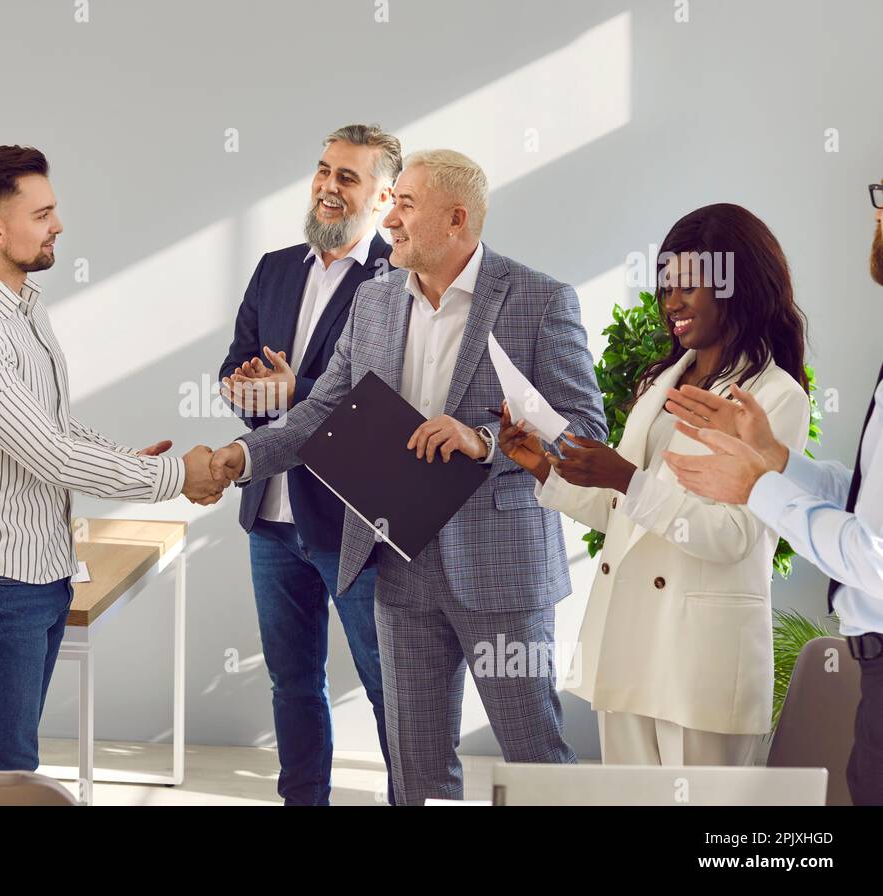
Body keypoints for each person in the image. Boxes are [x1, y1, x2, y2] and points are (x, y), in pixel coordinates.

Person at [211, 149, 607, 804]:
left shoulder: (538, 300)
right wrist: (240, 458)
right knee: (417, 769)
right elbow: (319, 415)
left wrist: (483, 443)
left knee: (534, 756)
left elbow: (583, 429)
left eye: (405, 205)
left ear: (457, 220)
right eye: (390, 201)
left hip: (502, 571)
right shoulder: (374, 301)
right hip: (399, 565)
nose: (387, 218)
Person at [0, 145, 228, 773]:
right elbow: (49, 455)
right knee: (2, 769)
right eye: (43, 214)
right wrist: (176, 476)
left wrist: (126, 459)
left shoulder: (24, 309)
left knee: (10, 763)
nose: (58, 225)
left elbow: (54, 429)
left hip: (40, 572)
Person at [500, 203, 811, 766]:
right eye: (665, 286)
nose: (672, 303)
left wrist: (627, 478)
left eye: (689, 287)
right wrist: (544, 467)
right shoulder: (660, 381)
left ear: (739, 287)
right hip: (628, 647)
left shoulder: (777, 397)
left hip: (698, 663)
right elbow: (624, 514)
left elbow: (732, 536)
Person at [662, 184, 883, 802]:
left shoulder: (779, 387)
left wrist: (760, 487)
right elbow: (865, 501)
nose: (876, 209)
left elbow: (875, 555)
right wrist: (780, 462)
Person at [218, 123, 399, 805]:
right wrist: (248, 389)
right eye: (324, 171)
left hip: (353, 519)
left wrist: (299, 391)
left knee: (387, 683)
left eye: (347, 178)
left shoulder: (396, 282)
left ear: (383, 199)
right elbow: (235, 366)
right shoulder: (274, 267)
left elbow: (391, 402)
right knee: (291, 681)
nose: (327, 187)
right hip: (270, 516)